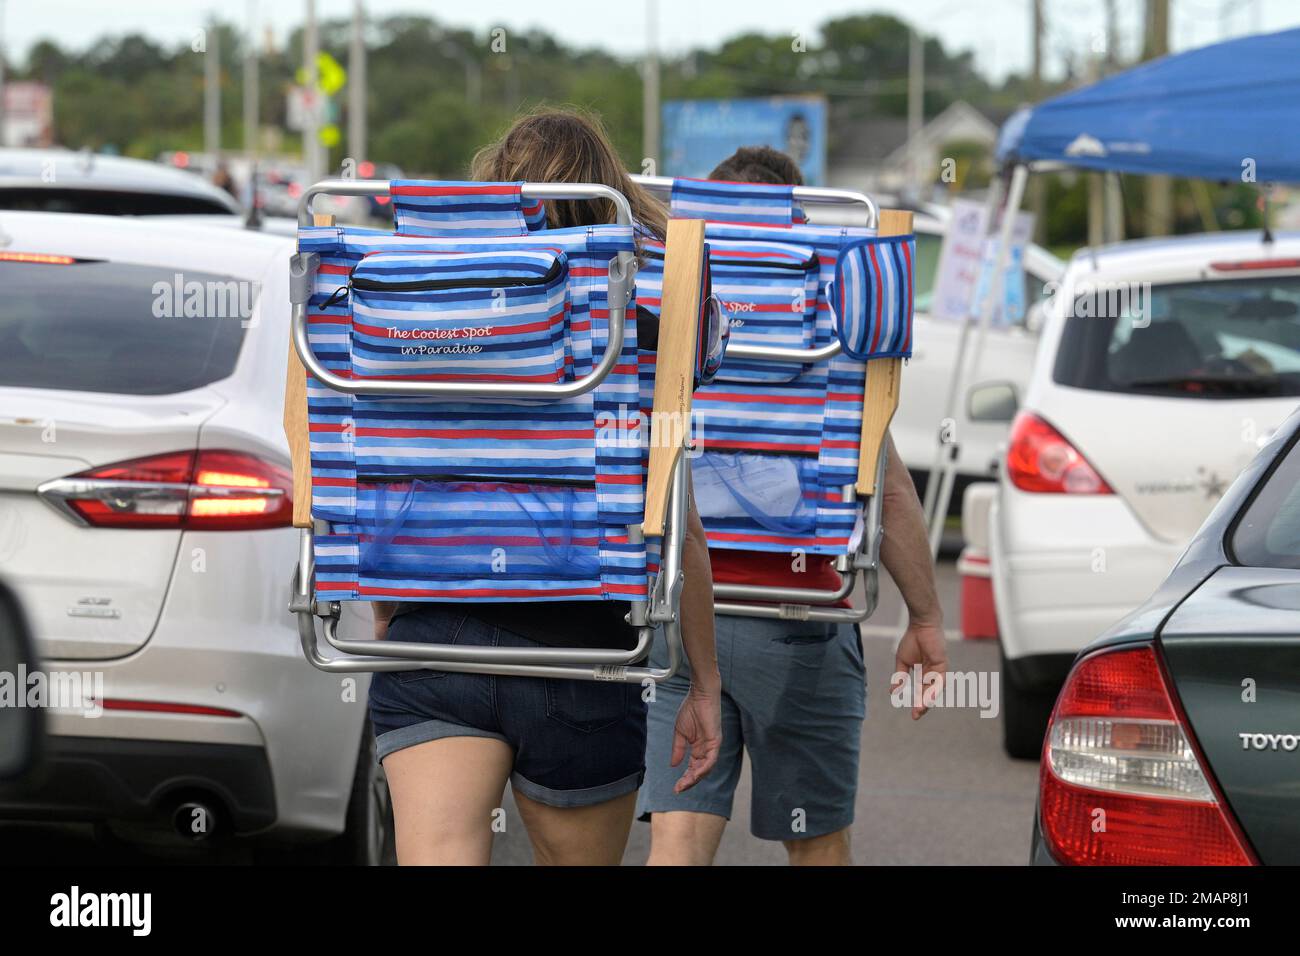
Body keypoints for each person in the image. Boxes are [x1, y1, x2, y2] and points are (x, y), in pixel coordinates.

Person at [368, 108, 721, 866]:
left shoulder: (427, 301)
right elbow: (675, 513)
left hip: (436, 639)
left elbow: (388, 465)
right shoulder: (653, 309)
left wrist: (390, 616)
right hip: (582, 653)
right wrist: (705, 682)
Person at [636, 145, 947, 866]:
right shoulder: (828, 334)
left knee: (678, 837)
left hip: (686, 608)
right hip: (800, 611)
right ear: (794, 225)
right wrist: (926, 617)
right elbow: (890, 491)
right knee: (815, 842)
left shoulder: (664, 306)